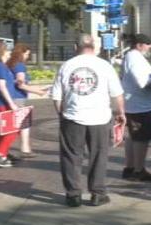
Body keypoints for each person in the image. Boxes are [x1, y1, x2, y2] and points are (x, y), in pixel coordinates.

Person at [51, 35, 126, 207]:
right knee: (99, 156)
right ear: (94, 46)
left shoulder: (67, 65)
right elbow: (117, 93)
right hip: (100, 117)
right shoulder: (104, 66)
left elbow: (57, 96)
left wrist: (61, 114)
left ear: (76, 45)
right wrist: (121, 112)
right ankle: (97, 193)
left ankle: (73, 194)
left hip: (72, 116)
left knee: (71, 156)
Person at [120, 34, 151, 182]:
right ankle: (138, 170)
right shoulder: (135, 58)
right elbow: (143, 83)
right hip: (142, 106)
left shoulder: (131, 57)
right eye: (149, 44)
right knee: (141, 138)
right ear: (139, 44)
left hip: (136, 104)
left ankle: (130, 167)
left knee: (133, 137)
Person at [6, 43, 37, 162]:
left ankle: (6, 150)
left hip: (12, 97)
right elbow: (21, 83)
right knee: (23, 124)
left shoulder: (10, 64)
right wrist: (38, 91)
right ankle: (25, 149)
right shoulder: (19, 66)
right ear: (22, 53)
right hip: (18, 98)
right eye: (27, 54)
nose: (27, 57)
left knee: (12, 126)